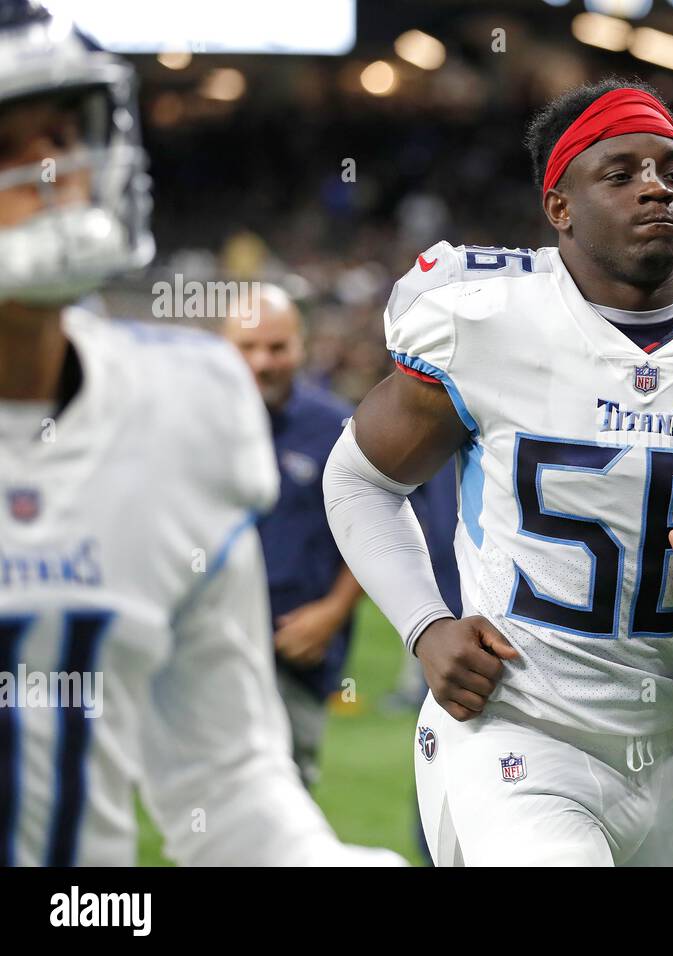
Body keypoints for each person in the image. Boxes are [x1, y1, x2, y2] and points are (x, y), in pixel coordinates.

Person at [324, 77, 673, 866]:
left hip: (669, 748)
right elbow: (360, 478)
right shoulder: (486, 319)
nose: (656, 190)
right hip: (512, 733)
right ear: (559, 205)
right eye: (622, 173)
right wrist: (425, 624)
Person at [0, 0, 398, 865]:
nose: (48, 172)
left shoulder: (181, 409)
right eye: (5, 142)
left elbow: (222, 779)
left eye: (63, 135)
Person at [223, 288, 364, 787]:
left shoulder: (339, 428)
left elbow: (379, 531)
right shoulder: (198, 426)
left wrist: (331, 613)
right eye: (248, 346)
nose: (263, 362)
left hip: (294, 650)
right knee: (208, 799)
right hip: (210, 645)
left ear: (302, 348)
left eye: (277, 347)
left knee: (287, 791)